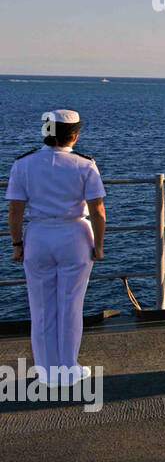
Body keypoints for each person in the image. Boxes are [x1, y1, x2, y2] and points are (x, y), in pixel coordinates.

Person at [5, 109, 106, 386]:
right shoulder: (85, 165)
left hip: (38, 236)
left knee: (40, 307)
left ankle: (46, 372)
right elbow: (97, 211)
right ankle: (68, 369)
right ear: (74, 135)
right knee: (70, 305)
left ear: (46, 132)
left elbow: (15, 211)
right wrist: (99, 246)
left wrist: (17, 245)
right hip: (74, 236)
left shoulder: (23, 164)